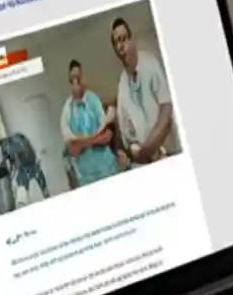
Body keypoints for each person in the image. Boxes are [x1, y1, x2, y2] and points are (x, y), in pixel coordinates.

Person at [110, 18, 179, 165]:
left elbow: (166, 111)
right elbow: (125, 131)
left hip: (167, 154)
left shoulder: (150, 64)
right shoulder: (122, 83)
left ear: (131, 39)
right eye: (116, 42)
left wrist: (148, 149)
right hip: (145, 161)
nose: (120, 46)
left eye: (123, 39)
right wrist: (132, 151)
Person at [59, 60, 120, 186]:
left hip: (107, 170)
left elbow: (105, 137)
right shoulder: (67, 110)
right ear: (69, 80)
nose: (77, 82)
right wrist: (94, 140)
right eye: (73, 78)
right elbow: (73, 149)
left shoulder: (93, 100)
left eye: (79, 77)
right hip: (86, 177)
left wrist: (82, 142)